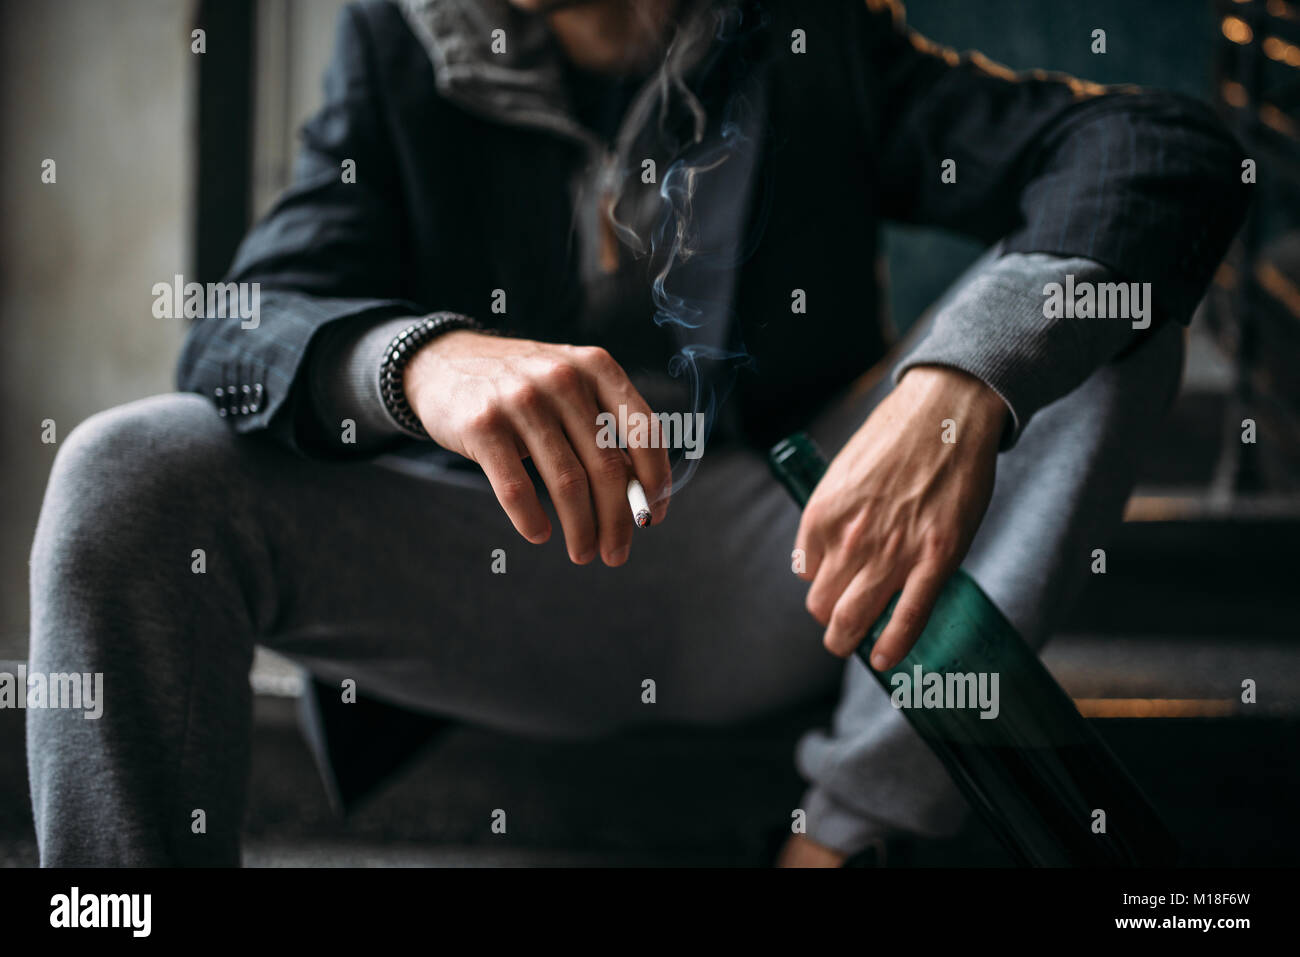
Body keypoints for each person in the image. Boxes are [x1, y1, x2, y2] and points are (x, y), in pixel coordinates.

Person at [27, 0, 1248, 866]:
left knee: (1100, 297)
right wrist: (420, 361)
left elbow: (1161, 150)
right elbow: (237, 331)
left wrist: (958, 384)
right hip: (494, 568)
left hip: (785, 568)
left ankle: (853, 833)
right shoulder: (407, 39)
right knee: (127, 467)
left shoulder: (797, 33)